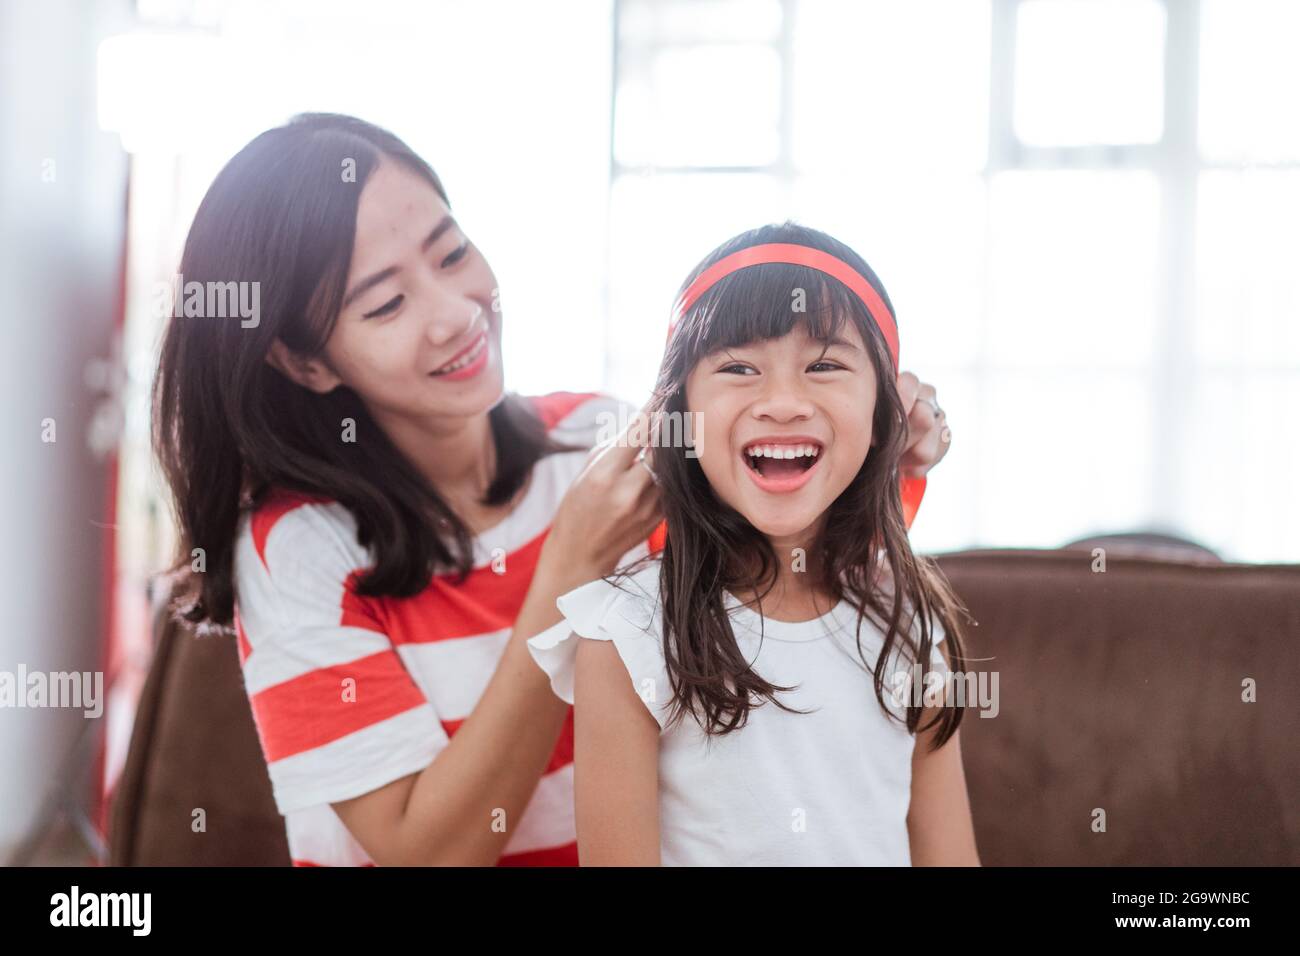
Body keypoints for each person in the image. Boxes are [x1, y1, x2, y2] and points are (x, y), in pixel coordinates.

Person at [152, 113, 955, 866]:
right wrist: (569, 566)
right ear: (306, 360)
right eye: (388, 302)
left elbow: (792, 599)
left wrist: (885, 453)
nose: (453, 314)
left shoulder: (600, 442)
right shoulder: (296, 548)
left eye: (451, 251)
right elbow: (427, 851)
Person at [528, 222, 979, 865]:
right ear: (676, 416)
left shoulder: (909, 621)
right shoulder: (625, 635)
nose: (785, 402)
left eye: (825, 365)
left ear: (885, 412)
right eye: (738, 368)